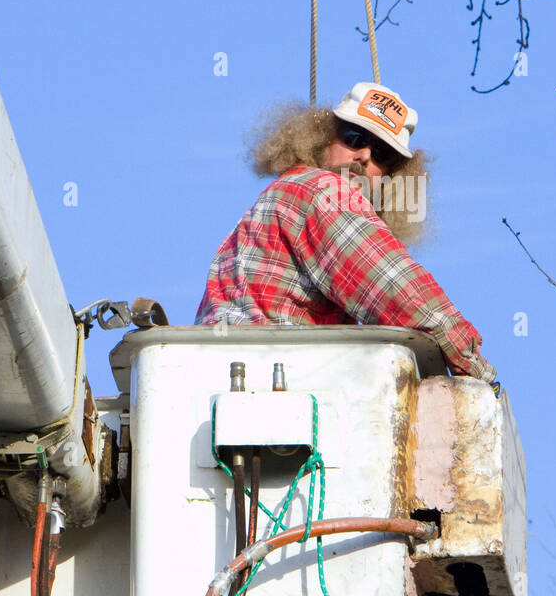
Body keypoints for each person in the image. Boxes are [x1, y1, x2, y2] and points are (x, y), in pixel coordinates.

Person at [195, 82, 498, 387]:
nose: (365, 155)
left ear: (390, 177)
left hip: (230, 380)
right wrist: (472, 364)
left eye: (382, 154)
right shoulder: (322, 190)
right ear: (322, 137)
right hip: (270, 387)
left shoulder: (279, 197)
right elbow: (392, 285)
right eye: (354, 138)